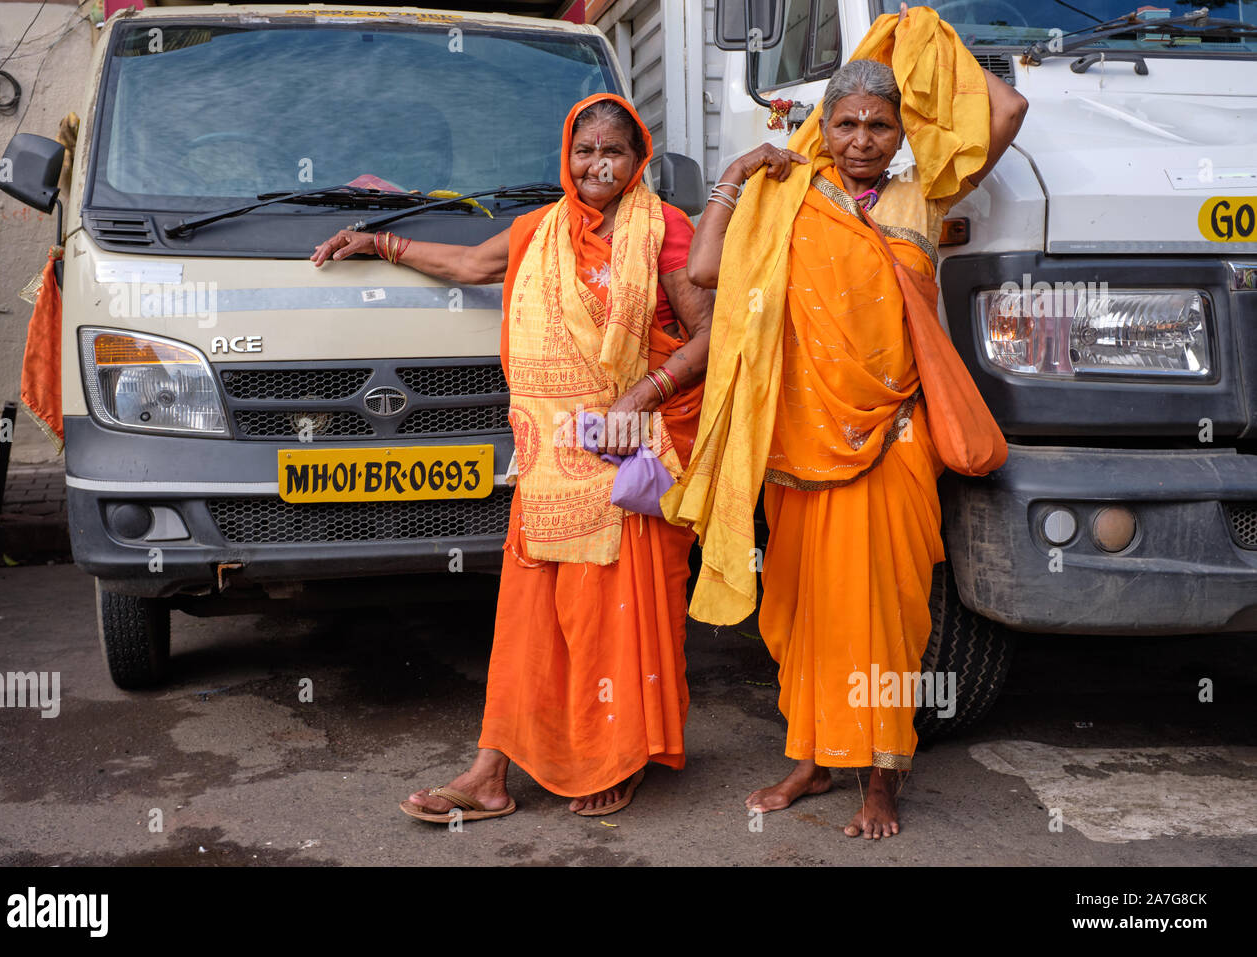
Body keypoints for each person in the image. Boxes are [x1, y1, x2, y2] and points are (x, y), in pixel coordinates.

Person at [668, 5, 1027, 839]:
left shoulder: (924, 194)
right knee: (804, 614)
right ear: (821, 128)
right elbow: (707, 268)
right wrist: (739, 175)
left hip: (894, 440)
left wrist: (919, 32)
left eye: (878, 124)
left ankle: (881, 780)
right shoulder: (786, 194)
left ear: (902, 133)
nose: (862, 138)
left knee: (889, 620)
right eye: (846, 122)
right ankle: (813, 757)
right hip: (802, 444)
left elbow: (1005, 112)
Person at [312, 93, 713, 819]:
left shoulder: (667, 230)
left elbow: (710, 335)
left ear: (637, 158)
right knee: (529, 621)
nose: (598, 164)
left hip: (626, 459)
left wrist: (642, 395)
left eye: (613, 151)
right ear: (568, 154)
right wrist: (380, 243)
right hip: (548, 461)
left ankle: (618, 755)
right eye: (585, 150)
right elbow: (469, 263)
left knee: (608, 620)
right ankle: (489, 771)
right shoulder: (541, 230)